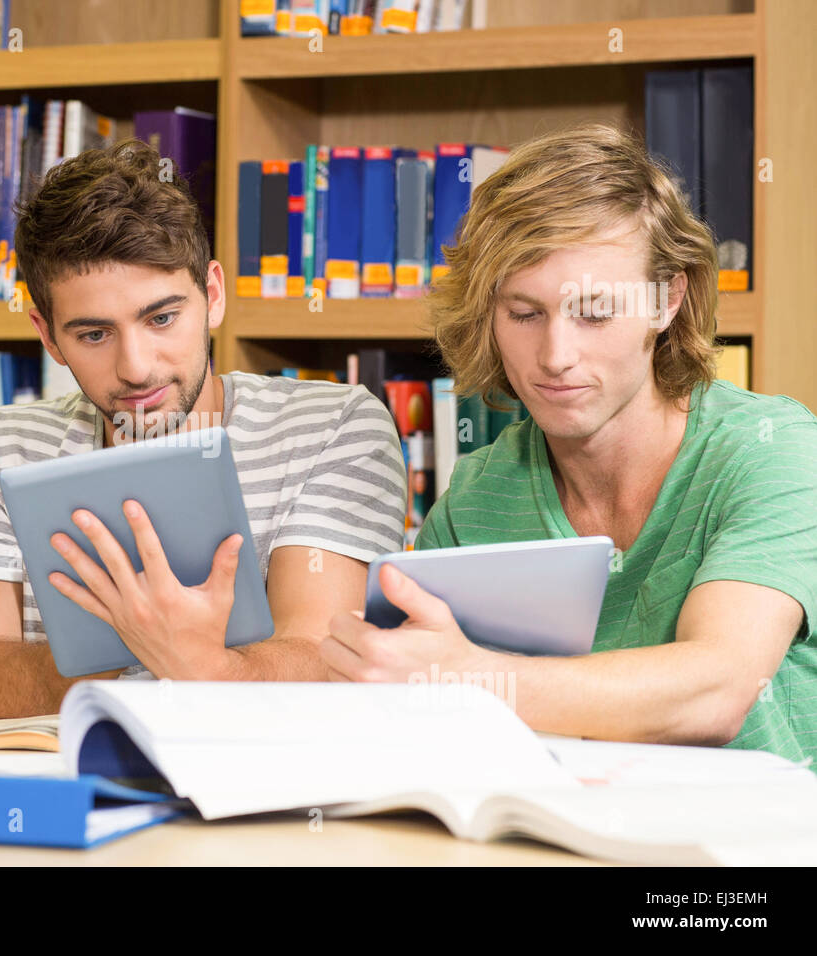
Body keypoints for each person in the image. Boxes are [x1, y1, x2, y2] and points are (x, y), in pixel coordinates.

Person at [321, 124, 817, 762]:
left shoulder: (774, 450)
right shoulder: (475, 497)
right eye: (523, 314)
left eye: (595, 312)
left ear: (666, 301)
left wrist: (466, 677)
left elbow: (717, 691)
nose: (555, 356)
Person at [0, 139, 406, 718]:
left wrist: (196, 663)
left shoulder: (335, 426)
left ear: (214, 294)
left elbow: (328, 665)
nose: (135, 367)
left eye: (162, 318)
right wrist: (134, 634)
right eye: (94, 334)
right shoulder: (6, 444)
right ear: (47, 336)